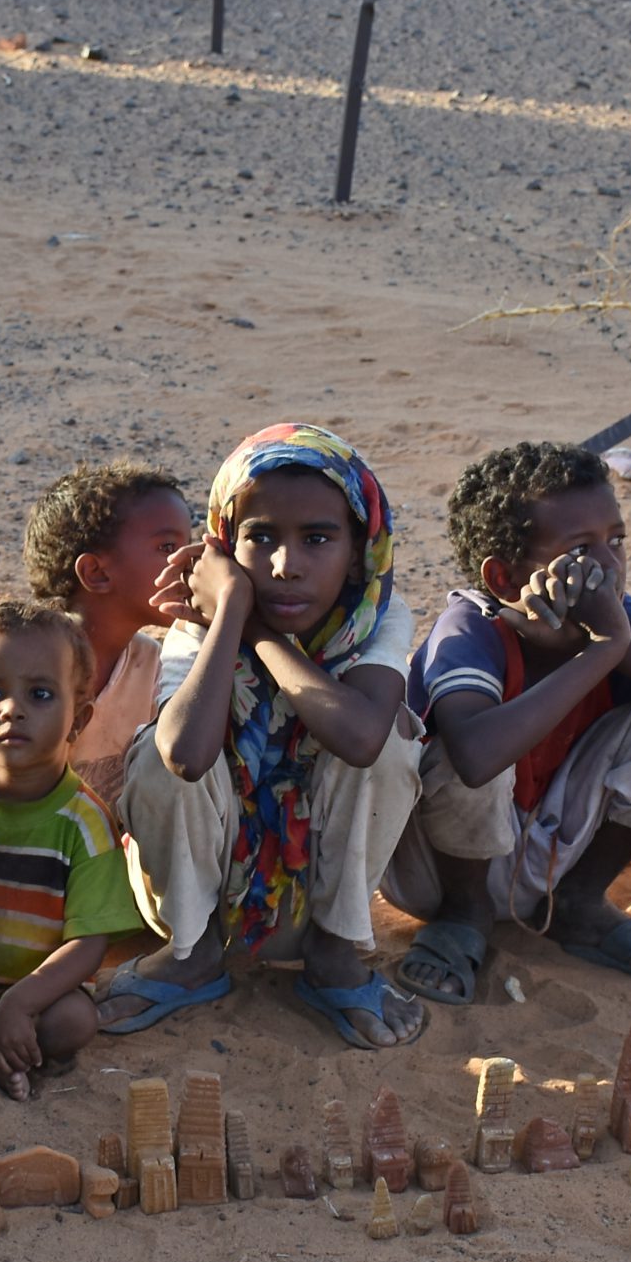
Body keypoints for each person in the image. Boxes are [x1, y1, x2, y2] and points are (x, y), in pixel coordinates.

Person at [387, 442, 631, 1003]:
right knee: (480, 744)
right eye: (581, 551)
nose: (611, 565)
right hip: (439, 873)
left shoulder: (621, 623)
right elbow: (474, 759)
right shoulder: (470, 630)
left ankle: (580, 903)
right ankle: (465, 919)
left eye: (617, 540)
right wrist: (600, 651)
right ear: (505, 578)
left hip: (556, 856)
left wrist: (612, 645)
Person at [100, 422, 424, 1049]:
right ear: (225, 544)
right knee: (158, 751)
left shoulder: (377, 620)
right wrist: (227, 616)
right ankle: (191, 957)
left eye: (317, 539)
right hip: (206, 898)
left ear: (359, 550)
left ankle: (335, 957)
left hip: (315, 897)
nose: (285, 565)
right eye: (261, 537)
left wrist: (254, 628)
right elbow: (185, 757)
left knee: (388, 741)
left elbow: (361, 740)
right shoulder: (201, 624)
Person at [0, 604, 141, 1097]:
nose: (12, 709)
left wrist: (20, 1003)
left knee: (76, 1021)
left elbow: (88, 944)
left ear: (78, 719)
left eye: (40, 694)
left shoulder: (83, 821)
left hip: (40, 996)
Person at [0, 461, 193, 810]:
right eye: (167, 547)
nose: (190, 562)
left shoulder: (153, 666)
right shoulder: (9, 662)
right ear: (96, 573)